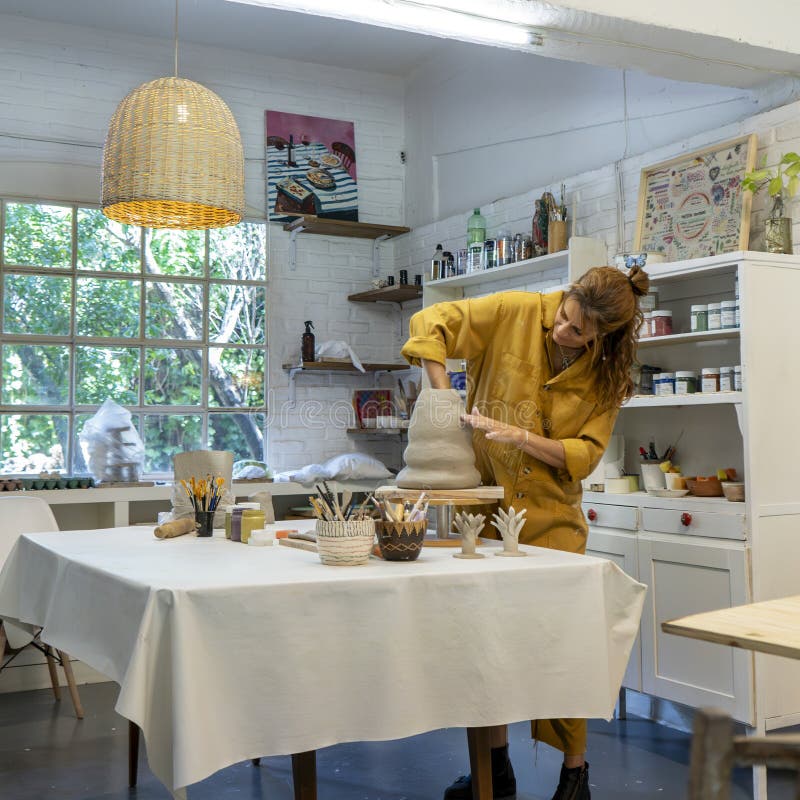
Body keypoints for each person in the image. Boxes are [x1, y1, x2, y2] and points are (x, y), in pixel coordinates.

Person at [400, 265, 650, 800]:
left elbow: (584, 455)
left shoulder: (607, 378)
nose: (563, 332)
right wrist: (445, 400)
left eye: (579, 332)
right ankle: (495, 772)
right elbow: (432, 321)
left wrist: (522, 437)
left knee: (562, 648)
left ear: (604, 336)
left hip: (552, 522)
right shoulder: (515, 311)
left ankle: (574, 774)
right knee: (484, 646)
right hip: (485, 518)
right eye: (564, 317)